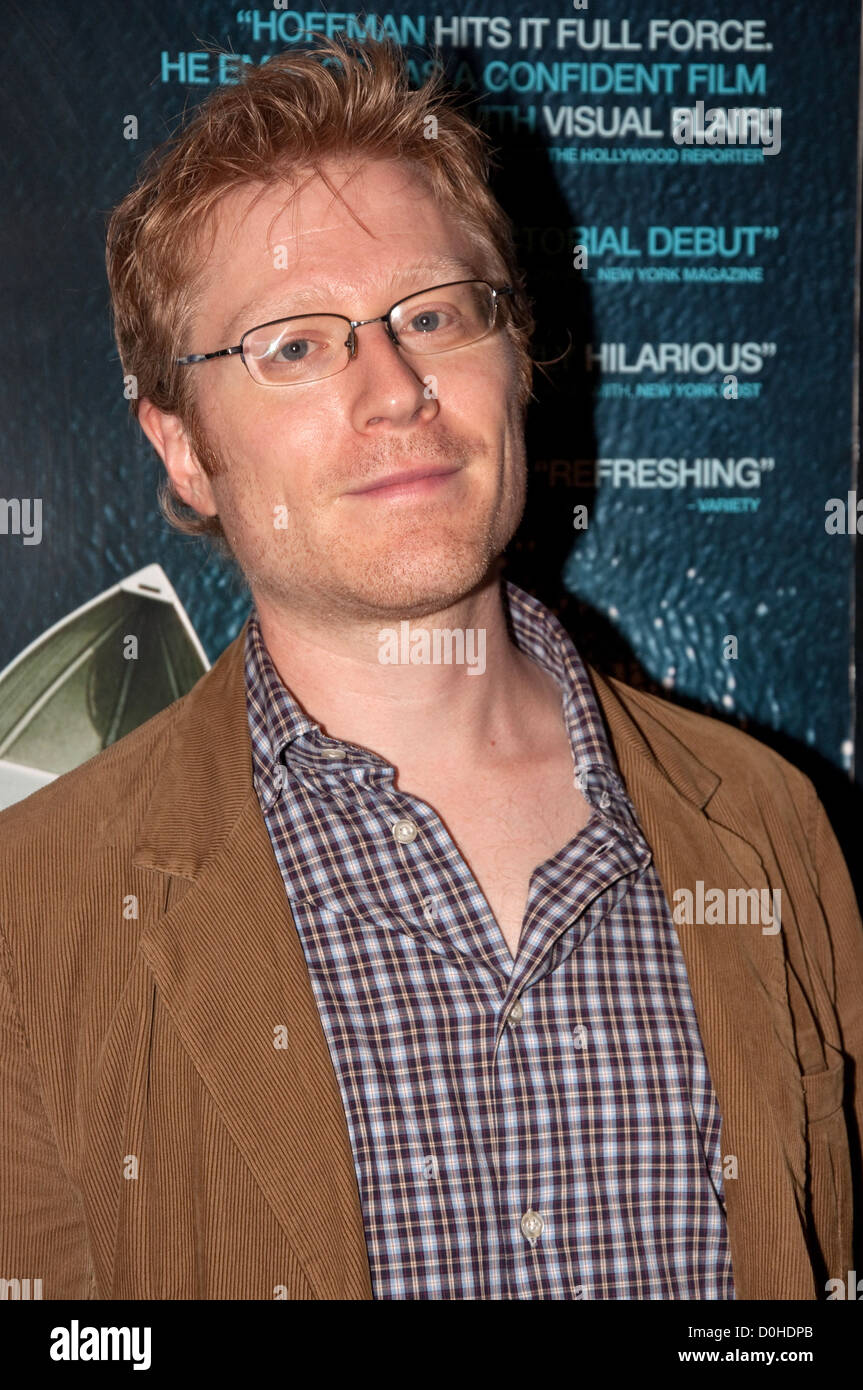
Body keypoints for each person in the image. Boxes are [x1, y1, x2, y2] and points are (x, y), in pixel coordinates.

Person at [1, 36, 860, 1302]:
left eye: (433, 315)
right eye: (291, 346)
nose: (394, 386)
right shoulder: (32, 916)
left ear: (518, 361)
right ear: (181, 447)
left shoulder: (772, 828)